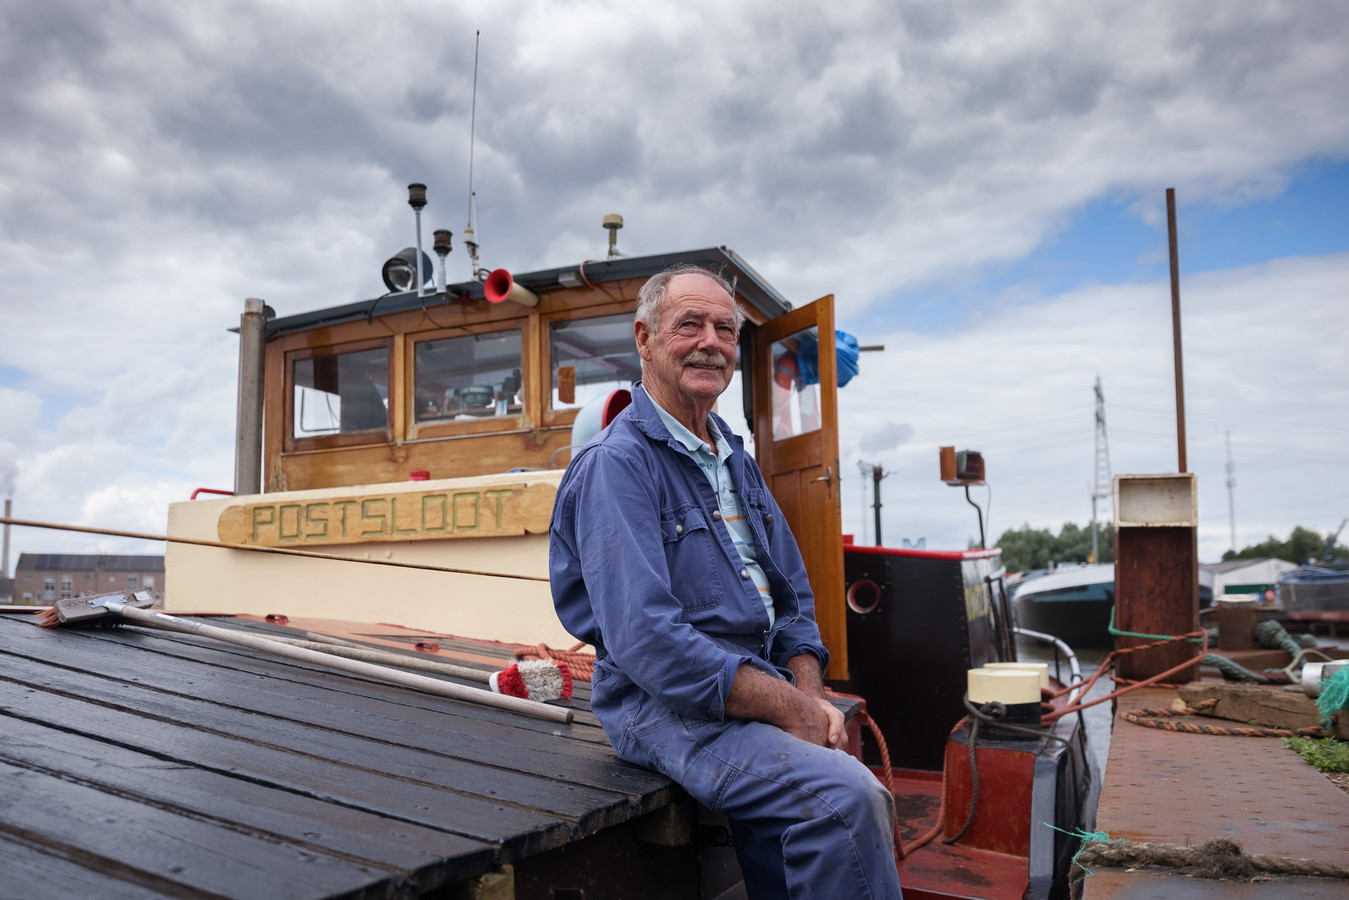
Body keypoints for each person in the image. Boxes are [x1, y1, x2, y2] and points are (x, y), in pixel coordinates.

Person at [549, 264, 902, 898]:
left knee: (830, 753)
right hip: (662, 707)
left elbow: (793, 601)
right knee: (845, 798)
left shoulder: (732, 457)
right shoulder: (616, 467)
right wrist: (794, 709)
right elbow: (649, 642)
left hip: (751, 687)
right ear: (645, 338)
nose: (711, 341)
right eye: (690, 325)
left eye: (725, 329)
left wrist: (810, 699)